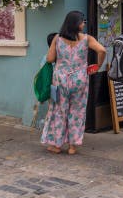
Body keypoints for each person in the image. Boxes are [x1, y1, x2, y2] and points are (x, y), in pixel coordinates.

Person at [41, 11, 106, 155]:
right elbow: (102, 50)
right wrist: (97, 66)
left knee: (59, 111)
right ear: (76, 24)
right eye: (82, 21)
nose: (83, 24)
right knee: (77, 112)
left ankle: (56, 145)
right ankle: (72, 146)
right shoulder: (86, 39)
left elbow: (50, 59)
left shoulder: (57, 39)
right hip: (79, 80)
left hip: (60, 81)